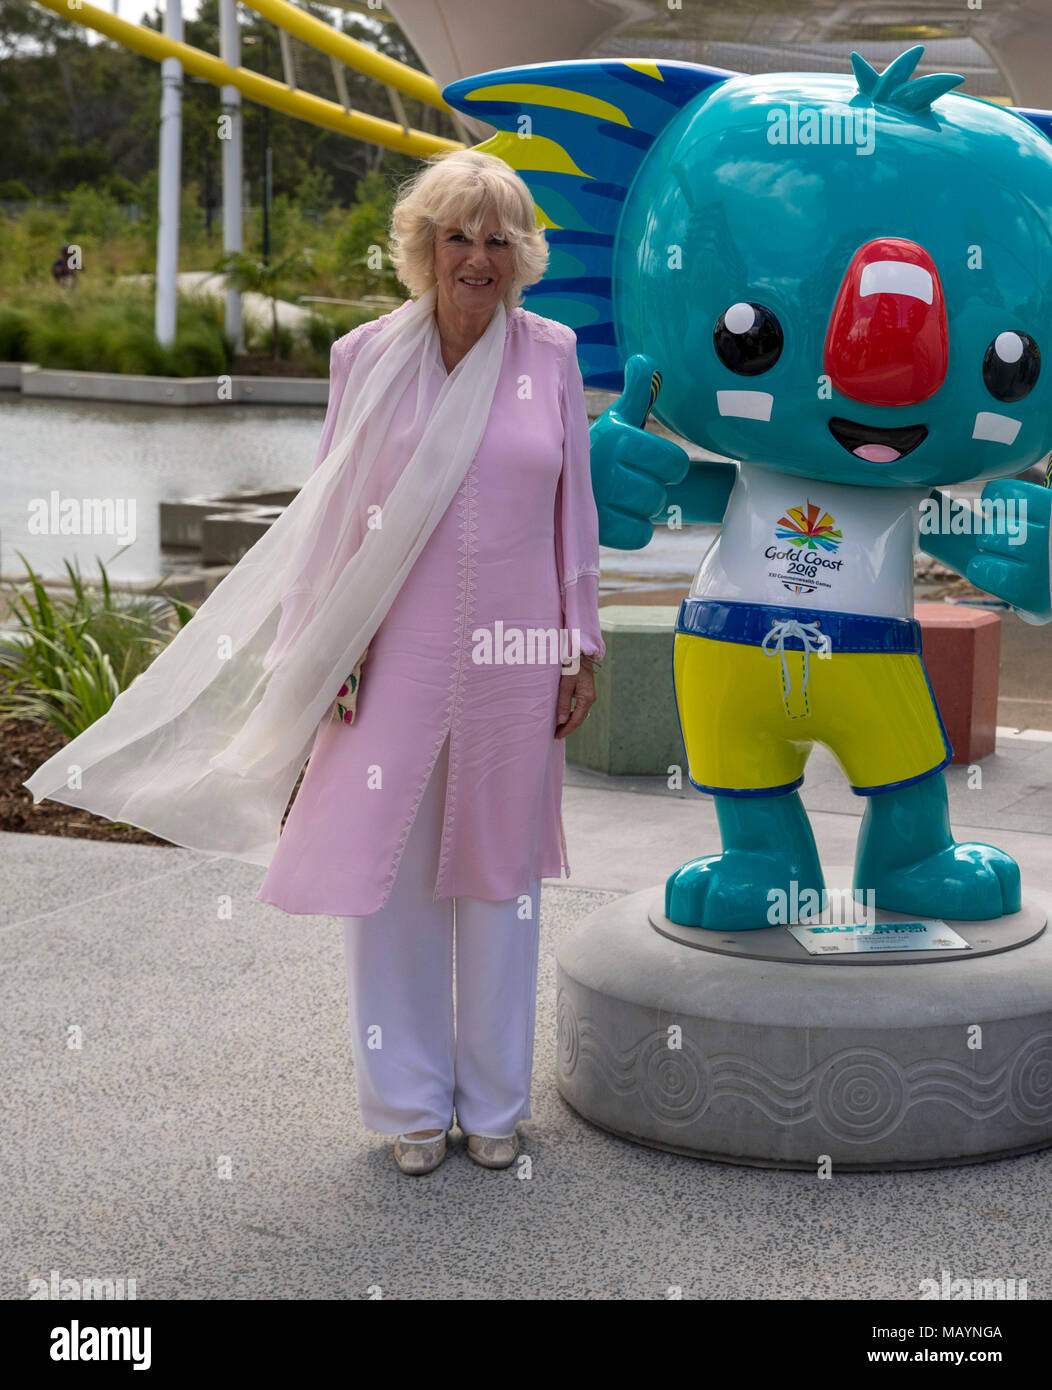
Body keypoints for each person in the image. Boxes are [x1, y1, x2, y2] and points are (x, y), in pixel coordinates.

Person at [254, 149, 606, 1174]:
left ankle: (493, 1105)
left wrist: (579, 642)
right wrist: (320, 648)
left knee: (500, 876)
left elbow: (570, 512)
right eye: (458, 235)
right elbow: (325, 516)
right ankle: (408, 1105)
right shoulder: (364, 355)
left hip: (518, 655)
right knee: (393, 874)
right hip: (391, 654)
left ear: (521, 253)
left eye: (499, 238)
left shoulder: (550, 354)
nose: (478, 257)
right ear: (422, 248)